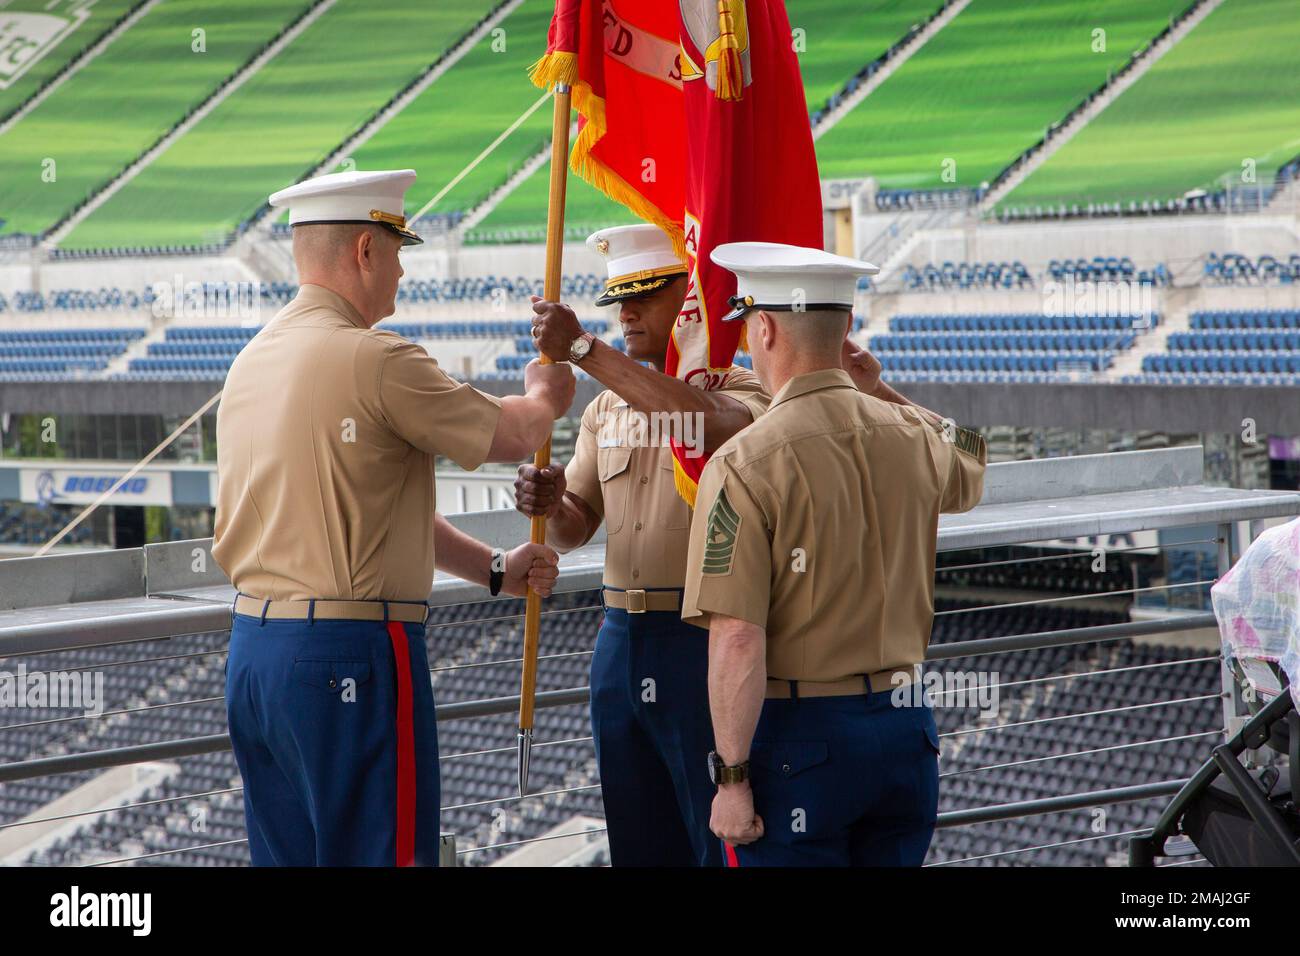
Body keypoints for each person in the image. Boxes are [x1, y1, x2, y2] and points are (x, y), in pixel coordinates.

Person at [213, 169, 575, 866]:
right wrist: (546, 392)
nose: (403, 270)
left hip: (256, 656)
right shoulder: (375, 358)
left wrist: (494, 570)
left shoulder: (253, 360)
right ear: (364, 252)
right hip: (348, 654)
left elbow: (373, 511)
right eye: (398, 250)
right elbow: (510, 433)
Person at [681, 241, 987, 867]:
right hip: (905, 732)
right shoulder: (910, 435)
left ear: (762, 328)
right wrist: (882, 391)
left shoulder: (742, 462)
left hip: (802, 741)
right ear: (846, 326)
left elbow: (738, 636)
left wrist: (732, 781)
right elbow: (973, 457)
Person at [515, 223, 770, 866]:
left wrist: (581, 346)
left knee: (714, 839)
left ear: (690, 303)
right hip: (620, 638)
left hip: (699, 638)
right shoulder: (606, 412)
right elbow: (577, 524)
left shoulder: (739, 393)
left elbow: (700, 424)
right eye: (618, 298)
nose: (626, 311)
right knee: (638, 837)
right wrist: (550, 502)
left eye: (647, 293)